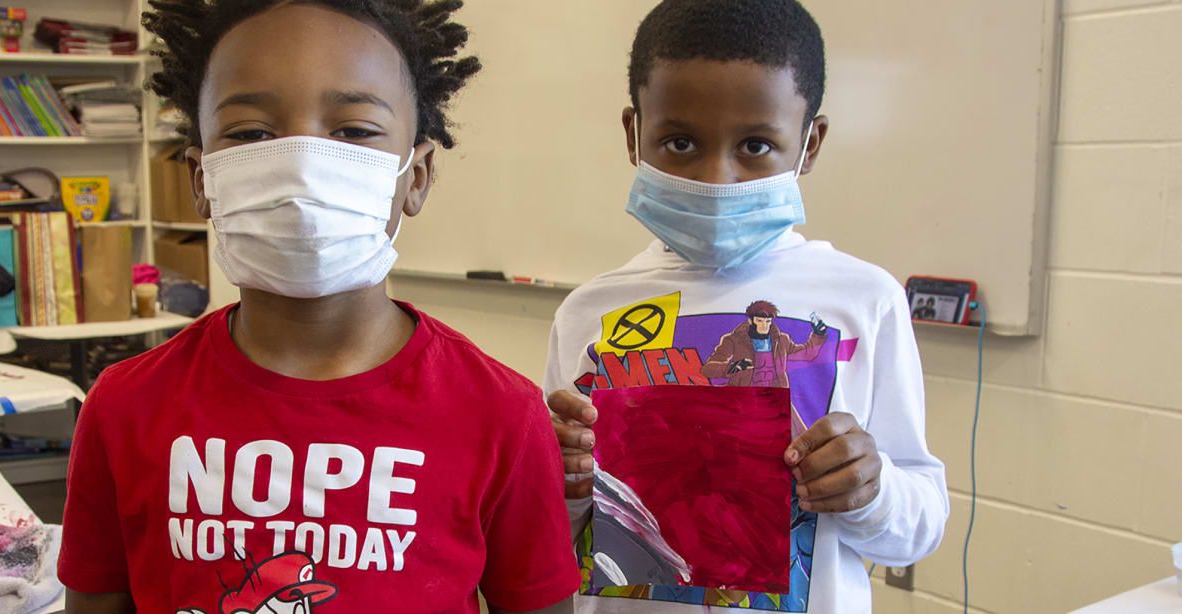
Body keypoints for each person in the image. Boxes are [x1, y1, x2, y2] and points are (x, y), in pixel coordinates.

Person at [57, 2, 578, 613]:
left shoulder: (502, 416)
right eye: (252, 134)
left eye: (354, 131)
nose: (302, 166)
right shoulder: (123, 407)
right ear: (203, 181)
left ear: (416, 175)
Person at [545, 0, 948, 611]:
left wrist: (873, 488)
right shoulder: (590, 311)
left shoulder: (866, 301)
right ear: (634, 133)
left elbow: (918, 526)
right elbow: (556, 526)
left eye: (757, 145)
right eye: (680, 141)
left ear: (810, 144)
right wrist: (567, 486)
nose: (718, 177)